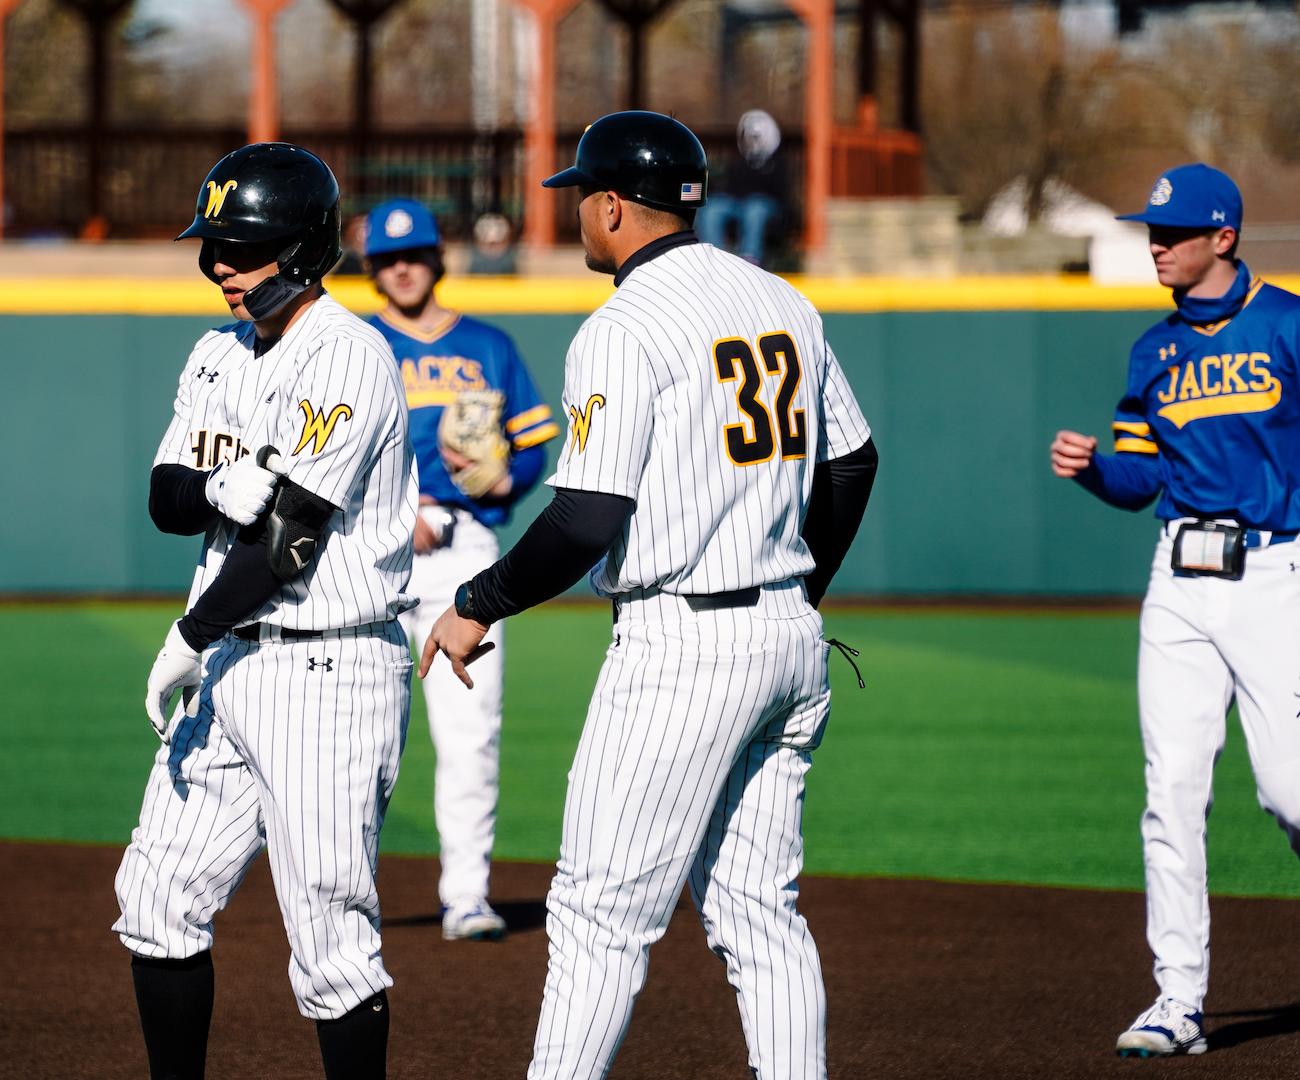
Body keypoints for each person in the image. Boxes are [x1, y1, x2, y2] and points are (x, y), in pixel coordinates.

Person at [420, 110, 879, 1080]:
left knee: (595, 915)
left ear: (616, 208)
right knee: (762, 914)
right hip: (787, 636)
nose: (577, 217)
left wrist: (477, 603)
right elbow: (853, 463)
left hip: (683, 650)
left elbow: (585, 518)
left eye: (582, 200)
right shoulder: (781, 299)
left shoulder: (622, 328)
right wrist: (801, 586)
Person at [114, 142, 419, 1080]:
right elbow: (167, 497)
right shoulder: (217, 352)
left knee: (329, 943)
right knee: (157, 900)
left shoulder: (348, 357)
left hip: (329, 666)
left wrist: (187, 631)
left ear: (303, 246)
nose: (219, 267)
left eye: (240, 247)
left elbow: (290, 542)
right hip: (232, 664)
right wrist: (219, 487)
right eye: (212, 246)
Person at [1047, 162, 1300, 1059]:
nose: (1156, 244)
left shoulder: (1294, 327)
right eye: (1153, 231)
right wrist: (1093, 472)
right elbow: (1141, 480)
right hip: (1179, 584)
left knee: (1296, 795)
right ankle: (1178, 1000)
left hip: (1284, 574)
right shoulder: (1153, 353)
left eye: (1173, 233)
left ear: (1223, 238)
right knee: (1171, 794)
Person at [361, 197, 561, 942]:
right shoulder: (355, 345)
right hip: (372, 557)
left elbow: (534, 444)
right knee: (361, 738)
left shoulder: (488, 344)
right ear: (373, 268)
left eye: (411, 255)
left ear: (436, 260)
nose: (401, 267)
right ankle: (344, 899)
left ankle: (467, 897)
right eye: (386, 258)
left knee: (470, 732)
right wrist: (385, 510)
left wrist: (502, 481)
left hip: (467, 552)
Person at [694, 109, 789, 266]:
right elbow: (731, 186)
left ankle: (750, 259)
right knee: (713, 208)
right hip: (737, 202)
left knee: (754, 209)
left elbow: (777, 192)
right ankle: (714, 258)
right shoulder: (740, 160)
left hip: (763, 206)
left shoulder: (777, 163)